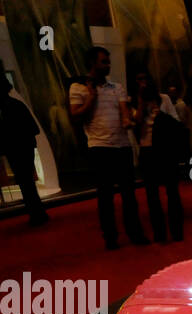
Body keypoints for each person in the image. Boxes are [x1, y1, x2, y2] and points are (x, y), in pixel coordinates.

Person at [69, 46, 149, 249]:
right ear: (92, 63)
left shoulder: (117, 87)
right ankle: (110, 237)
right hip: (100, 148)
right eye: (104, 61)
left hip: (122, 146)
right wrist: (92, 97)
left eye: (108, 61)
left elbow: (124, 111)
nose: (108, 65)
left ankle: (135, 233)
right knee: (105, 196)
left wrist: (128, 121)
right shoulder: (77, 88)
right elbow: (75, 115)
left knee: (129, 195)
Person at [0, 74, 47, 226]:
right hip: (20, 147)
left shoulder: (5, 106)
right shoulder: (9, 104)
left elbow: (24, 128)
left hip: (18, 148)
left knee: (25, 181)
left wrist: (1, 137)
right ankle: (37, 213)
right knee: (26, 182)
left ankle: (36, 214)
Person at [136, 85, 184, 242]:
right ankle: (161, 233)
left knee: (171, 193)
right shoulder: (138, 107)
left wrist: (160, 114)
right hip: (147, 152)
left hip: (164, 152)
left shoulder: (164, 102)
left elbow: (176, 123)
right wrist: (141, 106)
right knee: (153, 196)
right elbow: (136, 125)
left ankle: (176, 232)